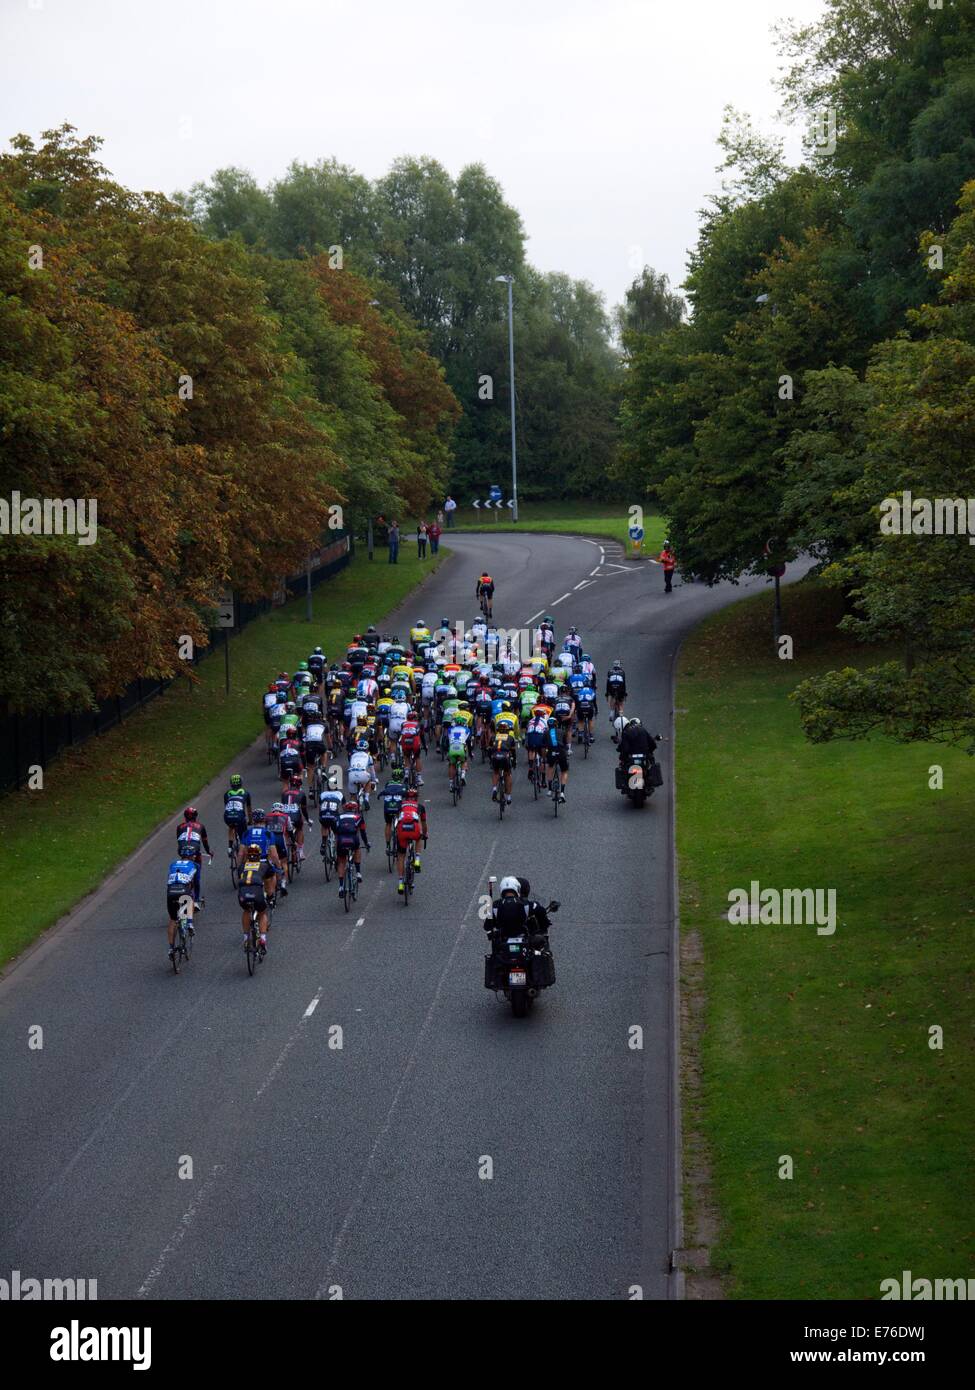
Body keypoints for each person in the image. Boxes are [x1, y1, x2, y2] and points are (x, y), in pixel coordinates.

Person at [237, 843, 275, 953]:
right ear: (259, 856)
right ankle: (262, 939)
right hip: (257, 891)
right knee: (263, 912)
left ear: (248, 856)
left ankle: (245, 938)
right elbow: (269, 881)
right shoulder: (264, 865)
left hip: (243, 891)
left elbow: (240, 876)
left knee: (246, 910)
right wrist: (270, 896)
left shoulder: (242, 866)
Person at [166, 855, 199, 960]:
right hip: (183, 890)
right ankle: (189, 923)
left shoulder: (173, 864)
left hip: (171, 892)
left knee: (172, 919)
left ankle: (171, 948)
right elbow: (195, 883)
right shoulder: (194, 865)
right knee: (190, 900)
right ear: (192, 857)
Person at [394, 788, 427, 894]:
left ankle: (400, 883)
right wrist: (425, 834)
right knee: (418, 838)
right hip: (414, 828)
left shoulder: (401, 804)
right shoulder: (420, 806)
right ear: (416, 797)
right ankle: (417, 859)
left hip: (402, 829)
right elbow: (424, 823)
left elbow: (396, 819)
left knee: (401, 857)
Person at [335, 799, 370, 898]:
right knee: (357, 849)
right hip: (353, 840)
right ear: (356, 809)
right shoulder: (358, 816)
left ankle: (341, 886)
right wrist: (366, 843)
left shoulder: (338, 817)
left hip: (341, 840)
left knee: (341, 861)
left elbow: (336, 831)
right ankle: (358, 872)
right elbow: (363, 833)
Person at [223, 774, 252, 851]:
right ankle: (244, 848)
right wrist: (250, 821)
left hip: (227, 816)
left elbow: (227, 807)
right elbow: (249, 809)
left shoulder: (226, 794)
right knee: (244, 835)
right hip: (239, 817)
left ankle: (230, 847)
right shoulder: (246, 793)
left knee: (231, 827)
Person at [606, 660, 627, 729]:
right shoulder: (622, 672)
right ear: (619, 665)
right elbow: (624, 684)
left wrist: (607, 693)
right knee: (620, 704)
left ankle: (612, 713)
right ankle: (621, 716)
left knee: (612, 698)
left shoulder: (610, 671)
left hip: (612, 689)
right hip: (620, 689)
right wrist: (624, 693)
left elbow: (608, 684)